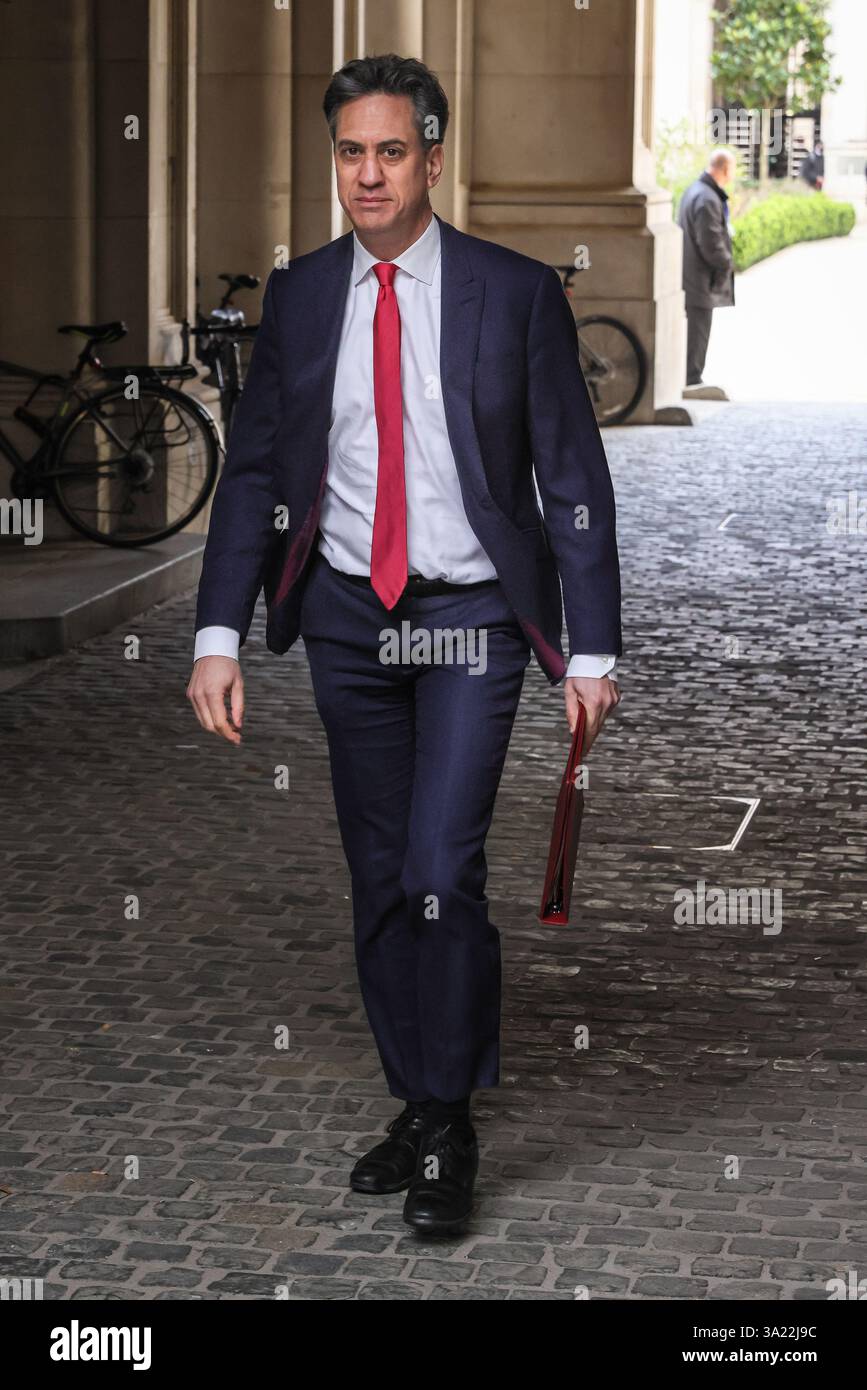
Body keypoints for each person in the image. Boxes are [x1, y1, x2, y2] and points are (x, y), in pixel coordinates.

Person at [186, 55, 622, 1236]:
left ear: (432, 155)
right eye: (348, 152)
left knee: (439, 869)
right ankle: (427, 1106)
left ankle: (448, 1121)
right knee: (380, 878)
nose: (368, 174)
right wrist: (217, 628)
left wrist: (591, 649)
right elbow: (260, 473)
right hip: (345, 616)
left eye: (390, 151)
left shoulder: (515, 293)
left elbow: (573, 480)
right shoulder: (304, 294)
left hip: (469, 619)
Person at [677, 150, 736, 388]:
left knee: (696, 332)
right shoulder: (707, 198)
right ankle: (691, 380)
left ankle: (690, 376)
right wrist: (727, 263)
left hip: (692, 276)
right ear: (724, 169)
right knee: (698, 333)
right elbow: (710, 243)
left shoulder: (696, 192)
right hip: (699, 279)